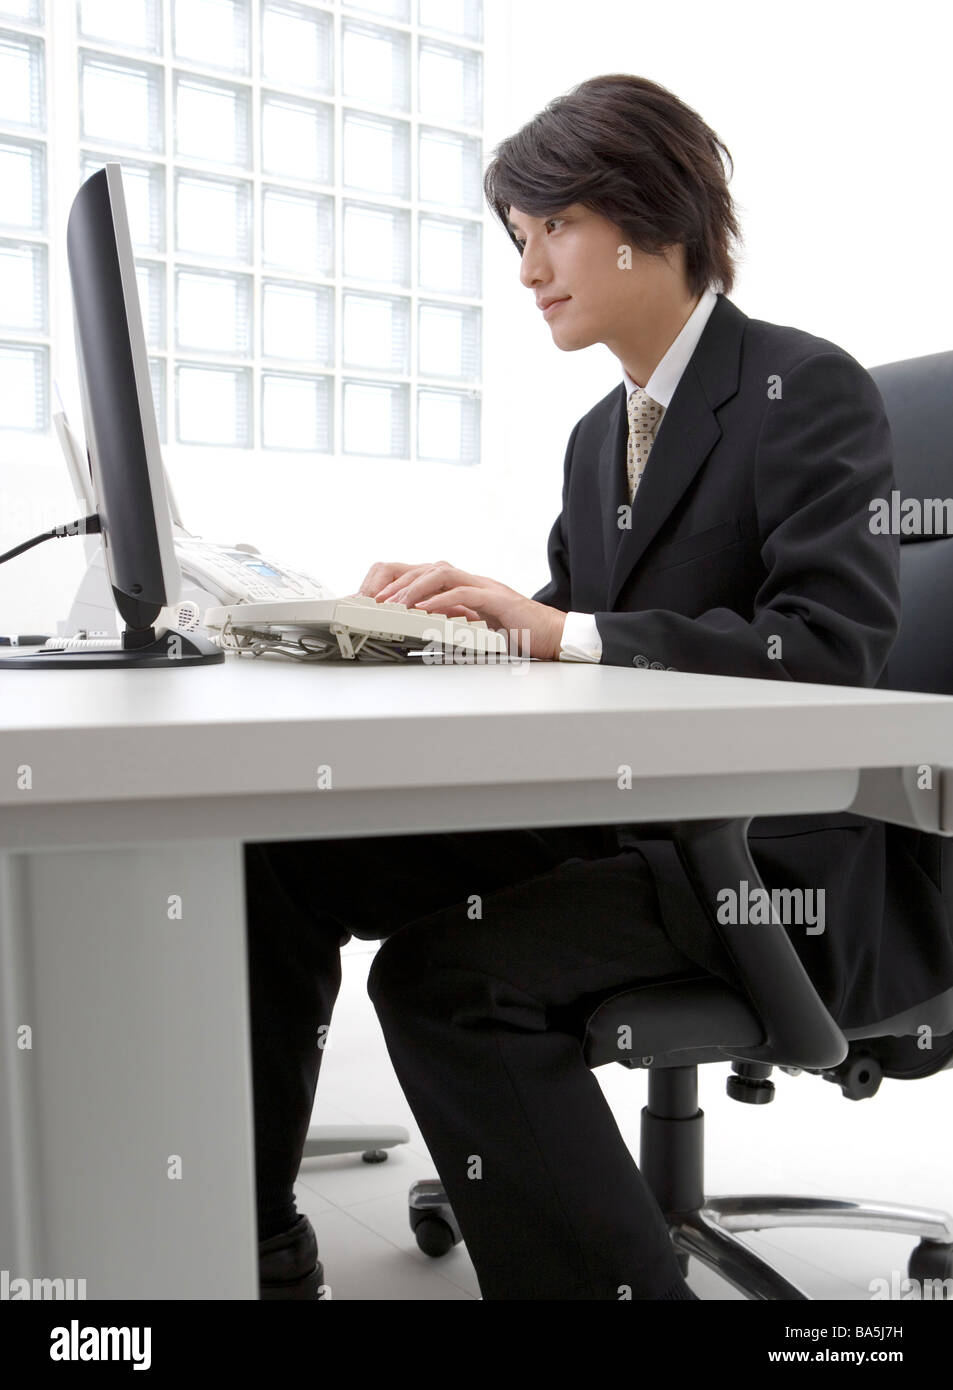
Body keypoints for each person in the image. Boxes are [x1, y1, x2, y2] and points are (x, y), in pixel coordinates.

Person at [246, 73, 953, 1300]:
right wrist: (451, 632)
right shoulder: (597, 438)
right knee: (282, 854)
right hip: (632, 812)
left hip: (773, 854)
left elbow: (823, 646)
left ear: (651, 211)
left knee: (440, 978)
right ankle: (252, 1244)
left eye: (552, 228)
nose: (528, 270)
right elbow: (584, 640)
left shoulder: (803, 389)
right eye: (518, 241)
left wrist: (556, 629)